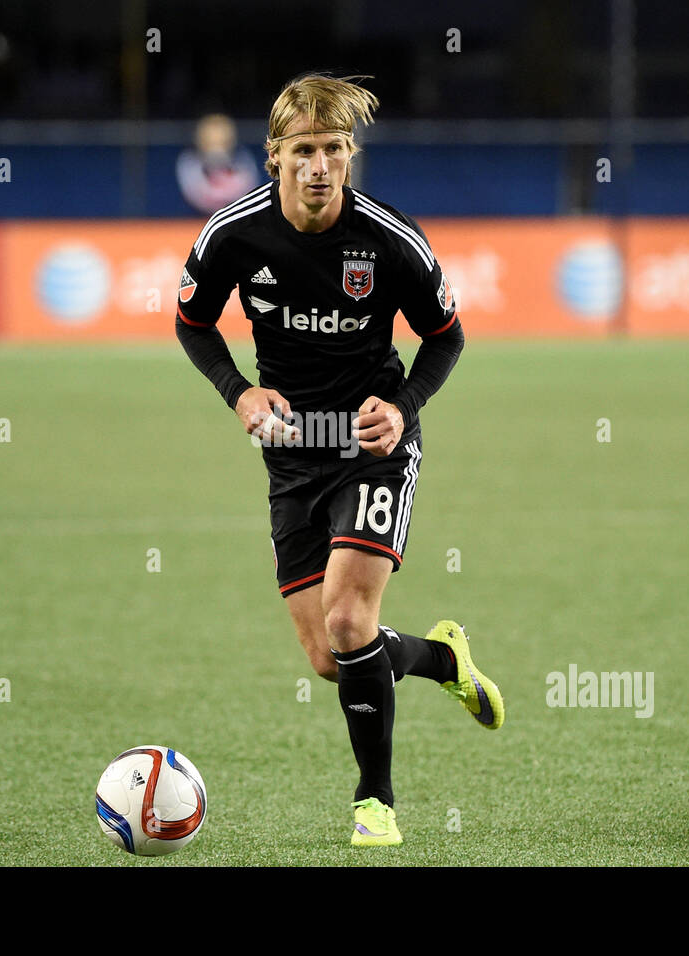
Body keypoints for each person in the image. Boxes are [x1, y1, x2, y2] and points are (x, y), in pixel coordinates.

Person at [174, 73, 504, 847]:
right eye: (302, 151)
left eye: (332, 149)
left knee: (351, 619)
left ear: (350, 153)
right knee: (329, 656)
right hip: (292, 454)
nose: (318, 165)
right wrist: (238, 393)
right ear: (273, 158)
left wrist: (405, 407)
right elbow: (192, 322)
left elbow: (446, 335)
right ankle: (441, 658)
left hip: (372, 445)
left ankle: (375, 803)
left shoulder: (392, 238)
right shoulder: (234, 234)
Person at [176, 113, 261, 215]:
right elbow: (197, 194)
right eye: (211, 140)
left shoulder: (244, 163)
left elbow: (246, 193)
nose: (216, 146)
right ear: (200, 140)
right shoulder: (188, 164)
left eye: (222, 140)